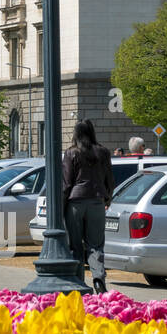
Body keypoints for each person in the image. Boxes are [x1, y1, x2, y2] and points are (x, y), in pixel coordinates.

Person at [63, 119, 115, 294]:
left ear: (76, 133)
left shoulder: (71, 153)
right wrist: (107, 200)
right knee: (96, 245)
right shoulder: (103, 152)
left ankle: (78, 283)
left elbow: (67, 182)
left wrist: (62, 206)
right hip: (97, 202)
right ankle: (99, 280)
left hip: (76, 202)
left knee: (75, 245)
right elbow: (110, 180)